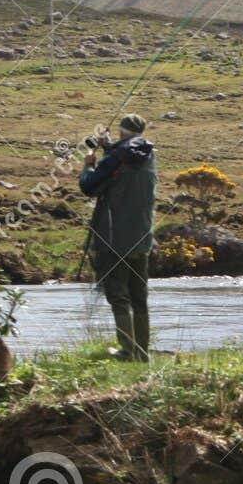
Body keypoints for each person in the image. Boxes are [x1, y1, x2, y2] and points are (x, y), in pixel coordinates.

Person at [78, 114, 156, 361]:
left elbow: (89, 186)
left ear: (122, 132)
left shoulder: (115, 158)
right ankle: (142, 353)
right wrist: (109, 146)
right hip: (142, 237)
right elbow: (125, 158)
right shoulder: (149, 155)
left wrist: (89, 165)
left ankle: (126, 350)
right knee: (139, 297)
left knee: (117, 294)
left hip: (113, 239)